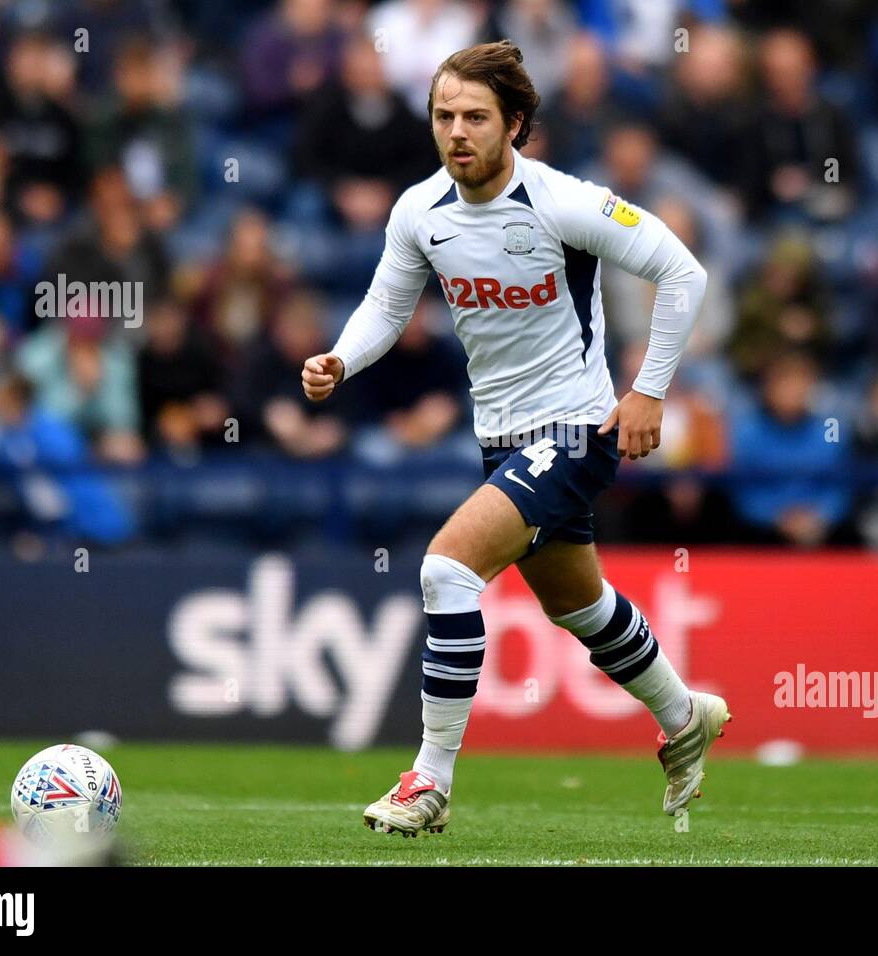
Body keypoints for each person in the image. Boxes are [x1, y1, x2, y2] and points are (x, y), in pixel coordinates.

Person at [300, 40, 726, 836]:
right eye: (442, 115)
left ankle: (428, 783)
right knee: (580, 606)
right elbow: (388, 309)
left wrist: (648, 392)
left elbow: (684, 274)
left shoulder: (564, 202)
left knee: (445, 570)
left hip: (575, 429)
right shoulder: (418, 211)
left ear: (516, 125)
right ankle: (684, 711)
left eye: (475, 117)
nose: (456, 131)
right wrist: (340, 359)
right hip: (501, 439)